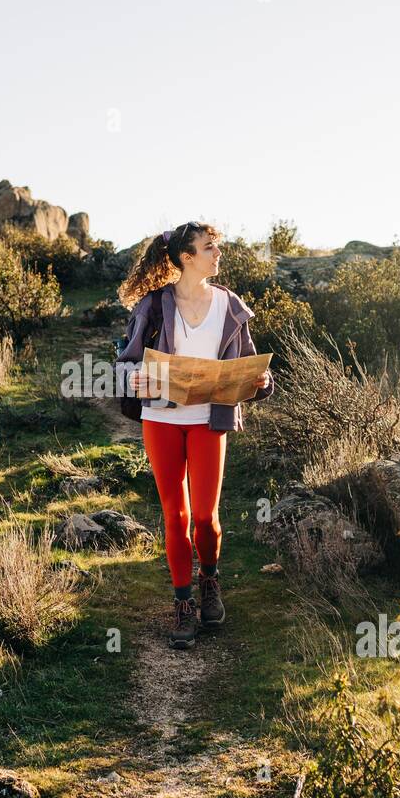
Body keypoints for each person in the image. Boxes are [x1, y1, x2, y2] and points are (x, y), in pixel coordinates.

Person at [115, 221, 274, 649]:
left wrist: (260, 382)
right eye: (210, 247)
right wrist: (135, 380)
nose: (218, 254)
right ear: (187, 257)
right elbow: (125, 364)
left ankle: (210, 579)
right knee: (176, 516)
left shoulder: (230, 305)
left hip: (210, 419)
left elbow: (253, 366)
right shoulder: (153, 304)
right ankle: (183, 602)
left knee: (205, 516)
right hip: (162, 422)